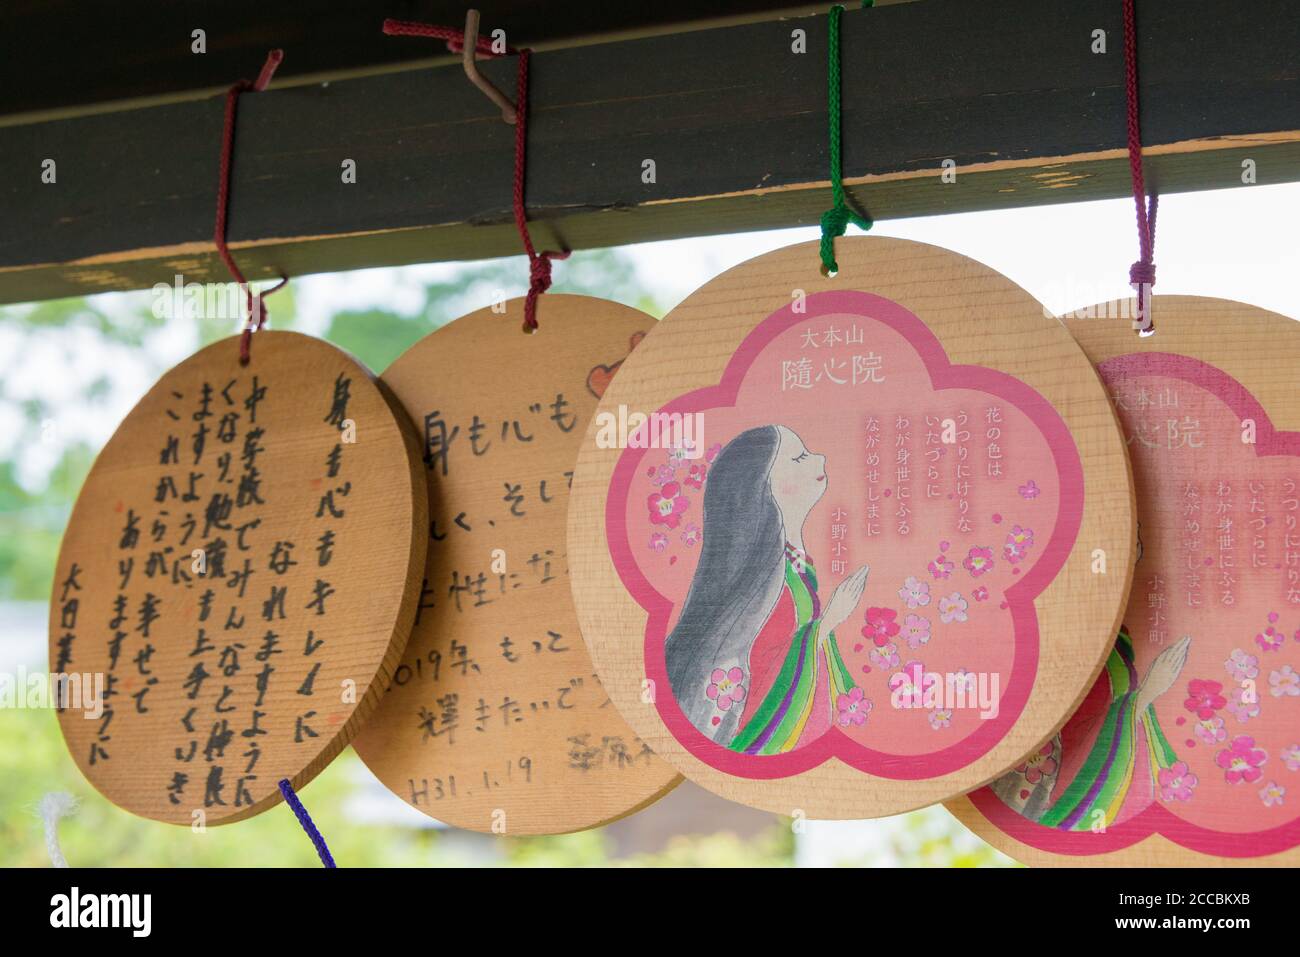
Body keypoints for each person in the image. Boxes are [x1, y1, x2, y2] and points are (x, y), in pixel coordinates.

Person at [664, 425, 869, 753]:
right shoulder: (769, 584)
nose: (820, 459)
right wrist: (826, 624)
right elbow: (762, 679)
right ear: (765, 487)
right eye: (800, 458)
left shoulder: (793, 567)